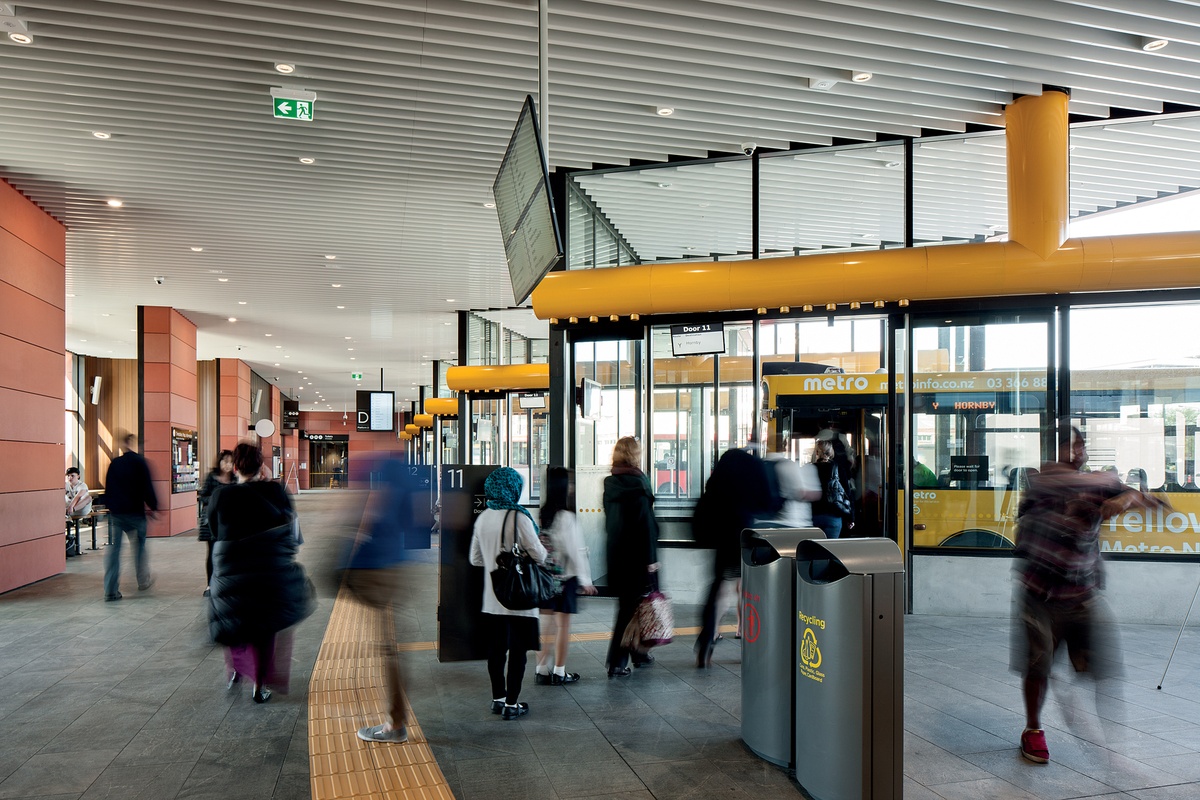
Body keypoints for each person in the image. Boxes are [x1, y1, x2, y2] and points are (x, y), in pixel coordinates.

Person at [1012, 425, 1166, 765]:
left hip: (1081, 592)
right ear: (1054, 450)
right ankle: (1033, 730)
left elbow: (1156, 502)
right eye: (1072, 445)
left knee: (1104, 669)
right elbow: (1070, 487)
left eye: (1083, 445)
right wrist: (1117, 494)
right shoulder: (1043, 480)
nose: (1079, 451)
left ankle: (1111, 744)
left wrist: (1126, 497)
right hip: (1039, 593)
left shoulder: (1100, 484)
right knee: (1037, 665)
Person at [208, 442, 314, 704]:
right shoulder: (276, 491)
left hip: (231, 572)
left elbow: (213, 531)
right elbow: (291, 527)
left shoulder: (221, 496)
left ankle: (235, 670)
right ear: (262, 466)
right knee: (265, 628)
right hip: (270, 572)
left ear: (234, 468)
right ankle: (259, 683)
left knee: (233, 618)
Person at [469, 466, 547, 719]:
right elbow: (540, 555)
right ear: (514, 488)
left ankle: (498, 699)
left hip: (492, 600)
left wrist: (496, 562)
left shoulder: (483, 517)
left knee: (496, 651)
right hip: (520, 600)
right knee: (518, 652)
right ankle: (513, 705)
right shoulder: (520, 517)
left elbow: (475, 559)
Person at [350, 455, 417, 743]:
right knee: (392, 647)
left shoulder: (383, 496)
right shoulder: (404, 492)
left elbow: (367, 530)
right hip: (398, 569)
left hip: (379, 573)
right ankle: (396, 717)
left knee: (389, 648)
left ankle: (395, 724)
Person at [694, 444, 775, 667]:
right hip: (745, 536)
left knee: (719, 587)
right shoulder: (755, 469)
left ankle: (707, 638)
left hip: (722, 537)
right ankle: (750, 643)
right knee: (747, 590)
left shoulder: (723, 470)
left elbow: (707, 501)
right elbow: (768, 503)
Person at [534, 466, 596, 686]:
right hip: (565, 579)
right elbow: (576, 550)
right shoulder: (567, 517)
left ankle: (541, 669)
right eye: (569, 482)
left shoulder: (543, 514)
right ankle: (560, 672)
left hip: (545, 578)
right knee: (562, 626)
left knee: (546, 624)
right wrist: (586, 580)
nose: (571, 486)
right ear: (562, 487)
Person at [604, 436, 660, 677]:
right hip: (638, 557)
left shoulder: (611, 483)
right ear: (635, 455)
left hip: (617, 555)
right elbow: (645, 525)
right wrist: (650, 559)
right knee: (632, 608)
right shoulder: (639, 484)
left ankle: (638, 653)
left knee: (632, 606)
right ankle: (616, 661)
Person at [103, 433, 159, 601]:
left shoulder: (115, 463)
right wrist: (154, 506)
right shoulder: (140, 462)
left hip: (117, 514)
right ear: (134, 444)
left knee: (114, 551)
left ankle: (111, 590)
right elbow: (147, 486)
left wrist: (111, 507)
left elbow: (108, 488)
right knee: (140, 548)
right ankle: (143, 581)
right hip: (136, 513)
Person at [197, 449, 234, 597]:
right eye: (225, 461)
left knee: (228, 554)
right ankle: (210, 585)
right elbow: (203, 497)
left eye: (231, 462)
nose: (228, 465)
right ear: (219, 462)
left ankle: (226, 583)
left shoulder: (235, 479)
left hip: (229, 523)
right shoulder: (212, 477)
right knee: (212, 554)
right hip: (212, 523)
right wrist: (216, 500)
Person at [811, 440, 850, 539]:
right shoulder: (838, 469)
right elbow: (847, 493)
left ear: (816, 453)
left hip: (812, 516)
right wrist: (850, 517)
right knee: (830, 550)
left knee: (813, 551)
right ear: (831, 452)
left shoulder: (809, 468)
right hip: (833, 516)